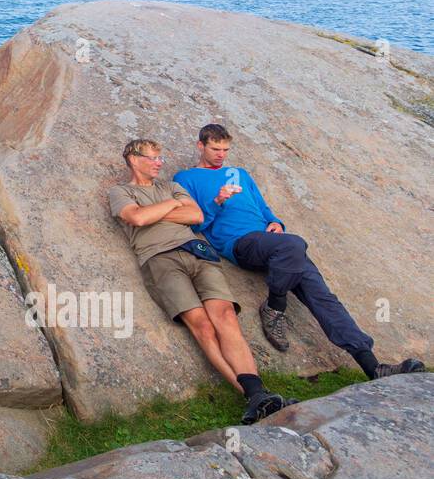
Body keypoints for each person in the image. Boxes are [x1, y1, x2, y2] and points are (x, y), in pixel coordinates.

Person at [174, 123, 424, 380]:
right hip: (240, 243)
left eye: (225, 149)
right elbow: (195, 221)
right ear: (200, 146)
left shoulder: (239, 173)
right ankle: (275, 304)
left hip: (274, 244)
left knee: (324, 297)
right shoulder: (186, 178)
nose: (221, 155)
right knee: (295, 244)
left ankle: (373, 366)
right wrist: (217, 201)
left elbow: (263, 208)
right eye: (215, 149)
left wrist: (275, 223)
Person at [109, 138, 292, 424]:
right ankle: (253, 395)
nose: (160, 163)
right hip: (160, 259)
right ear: (134, 159)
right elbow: (138, 218)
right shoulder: (120, 192)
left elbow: (195, 215)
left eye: (160, 157)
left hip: (198, 253)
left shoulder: (171, 186)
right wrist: (171, 207)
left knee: (226, 315)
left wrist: (161, 208)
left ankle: (259, 394)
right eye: (153, 158)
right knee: (202, 326)